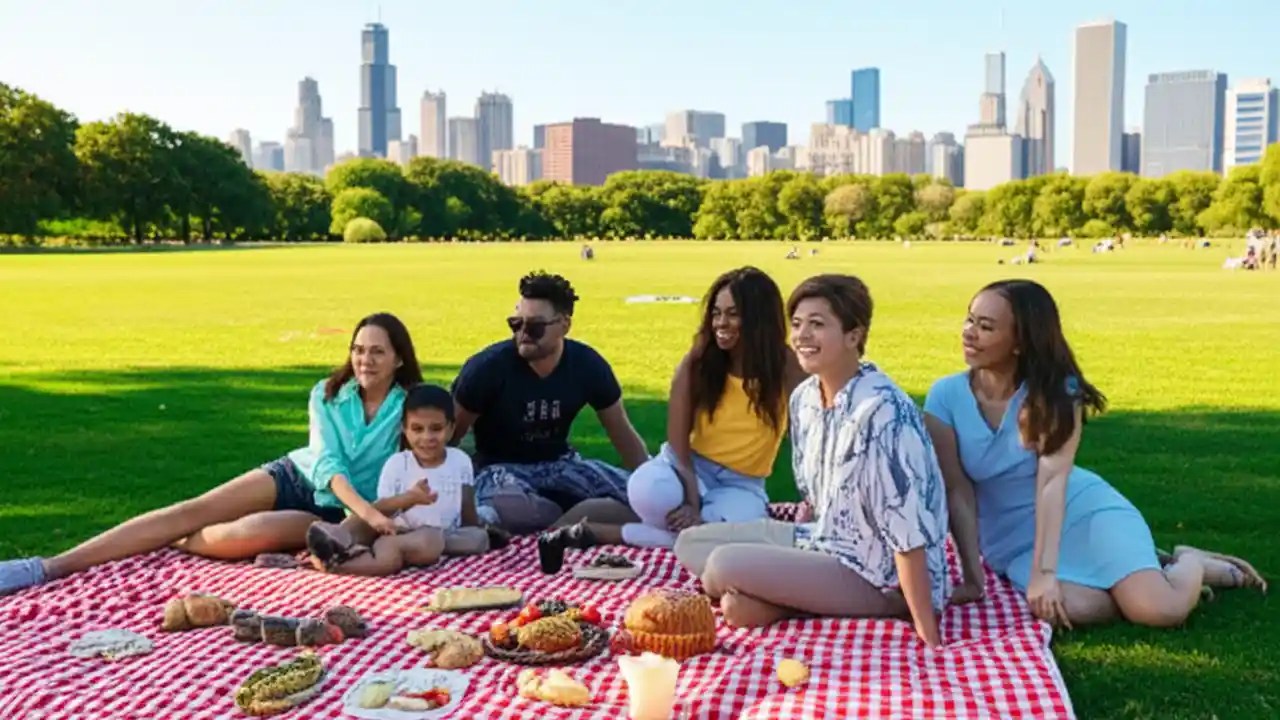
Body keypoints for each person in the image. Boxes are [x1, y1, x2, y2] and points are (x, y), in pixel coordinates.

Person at [0, 312, 423, 596]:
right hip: (297, 476)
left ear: (399, 359)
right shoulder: (328, 394)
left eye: (377, 351)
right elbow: (327, 464)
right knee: (193, 510)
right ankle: (50, 566)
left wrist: (370, 517)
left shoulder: (409, 409)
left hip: (333, 517)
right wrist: (369, 515)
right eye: (358, 349)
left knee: (232, 536)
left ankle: (157, 538)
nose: (364, 359)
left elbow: (428, 456)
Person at [923, 279, 1266, 628]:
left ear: (1020, 342)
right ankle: (1144, 571)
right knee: (1072, 609)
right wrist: (972, 575)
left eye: (986, 326)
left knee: (1158, 612)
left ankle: (1190, 562)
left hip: (1081, 513)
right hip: (1011, 544)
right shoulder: (945, 395)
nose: (969, 332)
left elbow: (1052, 484)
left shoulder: (1057, 392)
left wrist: (1045, 574)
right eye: (970, 319)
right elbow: (957, 490)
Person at [673, 275, 950, 647]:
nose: (802, 335)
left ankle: (874, 607)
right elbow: (818, 497)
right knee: (689, 545)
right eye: (798, 324)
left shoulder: (882, 412)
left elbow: (908, 533)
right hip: (824, 540)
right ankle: (794, 602)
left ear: (854, 336)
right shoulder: (804, 399)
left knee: (722, 566)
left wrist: (926, 631)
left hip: (878, 573)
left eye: (817, 325)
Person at [537, 267, 804, 572]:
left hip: (741, 483)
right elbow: (678, 443)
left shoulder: (788, 368)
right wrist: (691, 501)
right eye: (716, 313)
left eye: (733, 314)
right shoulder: (699, 362)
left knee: (728, 539)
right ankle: (682, 522)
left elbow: (807, 439)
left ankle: (601, 533)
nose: (721, 323)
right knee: (647, 489)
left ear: (758, 319)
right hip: (685, 468)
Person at [450, 271, 650, 536]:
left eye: (534, 327)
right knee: (507, 507)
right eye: (516, 324)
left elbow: (623, 436)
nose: (523, 334)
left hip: (560, 463)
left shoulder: (587, 364)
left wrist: (652, 483)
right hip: (499, 469)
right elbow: (449, 437)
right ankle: (575, 520)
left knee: (645, 499)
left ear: (564, 325)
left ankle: (562, 524)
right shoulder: (487, 368)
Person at [306, 384, 494, 576]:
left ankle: (340, 561)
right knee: (373, 525)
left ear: (451, 428)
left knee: (467, 538)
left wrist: (477, 531)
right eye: (417, 429)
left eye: (436, 429)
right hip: (394, 531)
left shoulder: (460, 461)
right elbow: (383, 511)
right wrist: (410, 498)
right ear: (404, 429)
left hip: (435, 536)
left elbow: (467, 512)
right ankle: (335, 544)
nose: (427, 437)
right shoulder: (397, 464)